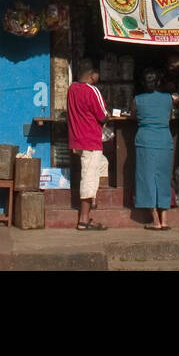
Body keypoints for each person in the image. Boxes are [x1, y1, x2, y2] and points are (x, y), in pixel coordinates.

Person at [65, 60, 108, 231]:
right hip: (90, 140)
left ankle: (93, 201)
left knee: (101, 166)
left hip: (77, 139)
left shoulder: (72, 89)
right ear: (92, 75)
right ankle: (84, 219)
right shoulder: (92, 91)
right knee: (89, 177)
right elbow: (103, 115)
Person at [132, 68, 174, 230]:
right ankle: (165, 220)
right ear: (158, 83)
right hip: (164, 140)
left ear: (143, 83)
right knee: (163, 178)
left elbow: (133, 116)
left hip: (145, 141)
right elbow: (169, 116)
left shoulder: (138, 99)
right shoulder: (168, 98)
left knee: (146, 179)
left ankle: (155, 220)